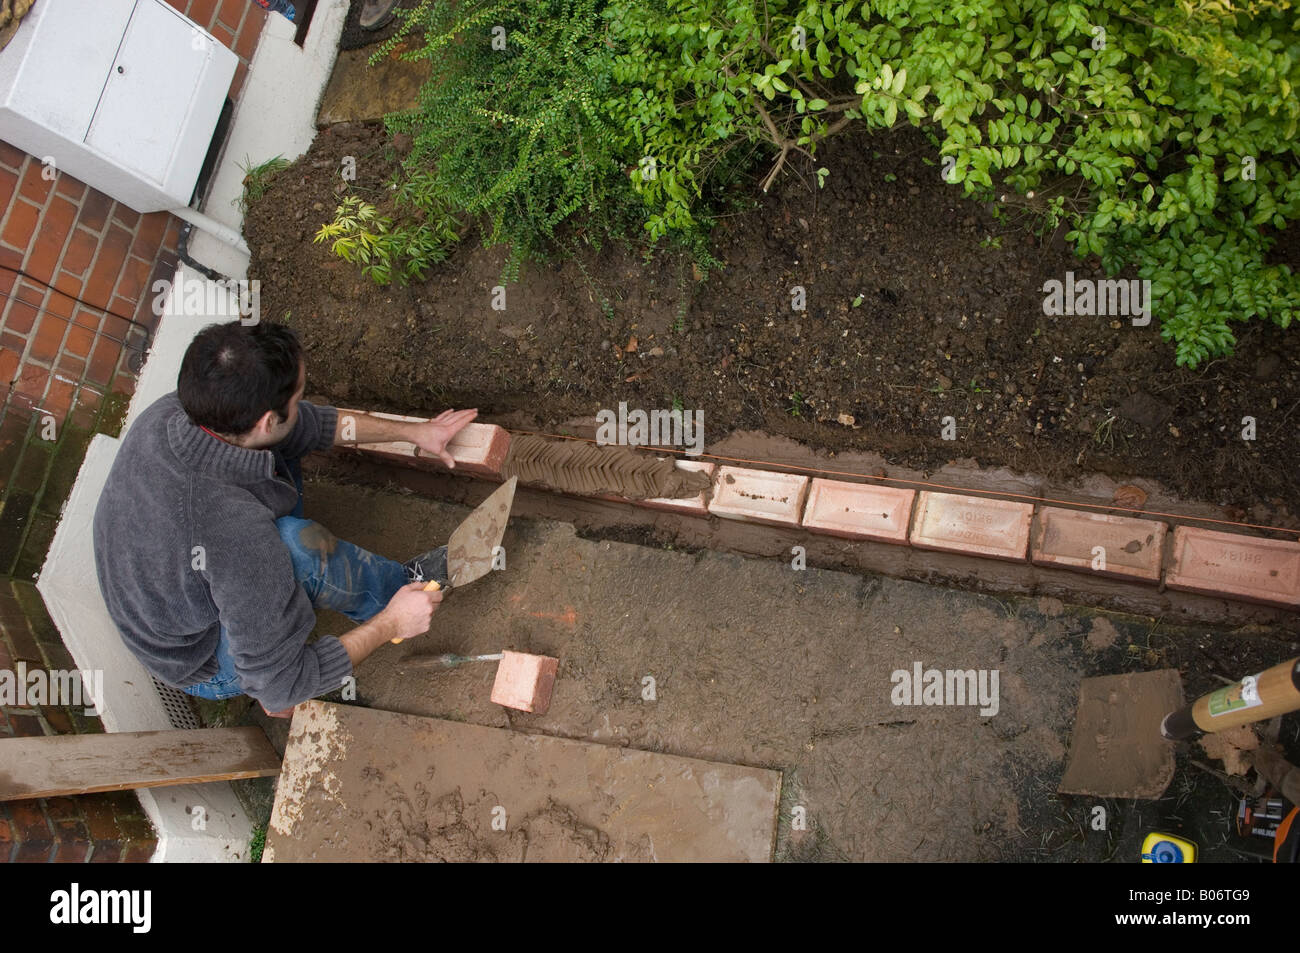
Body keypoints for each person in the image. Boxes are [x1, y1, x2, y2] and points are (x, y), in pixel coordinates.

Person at [92, 321, 477, 718]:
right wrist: (392, 624)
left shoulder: (184, 411)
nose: (303, 401)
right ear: (265, 421)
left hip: (165, 587)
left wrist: (414, 433)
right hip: (201, 655)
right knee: (301, 549)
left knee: (283, 454)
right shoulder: (237, 538)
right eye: (297, 396)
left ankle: (371, 606)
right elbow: (280, 687)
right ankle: (403, 594)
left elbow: (303, 426)